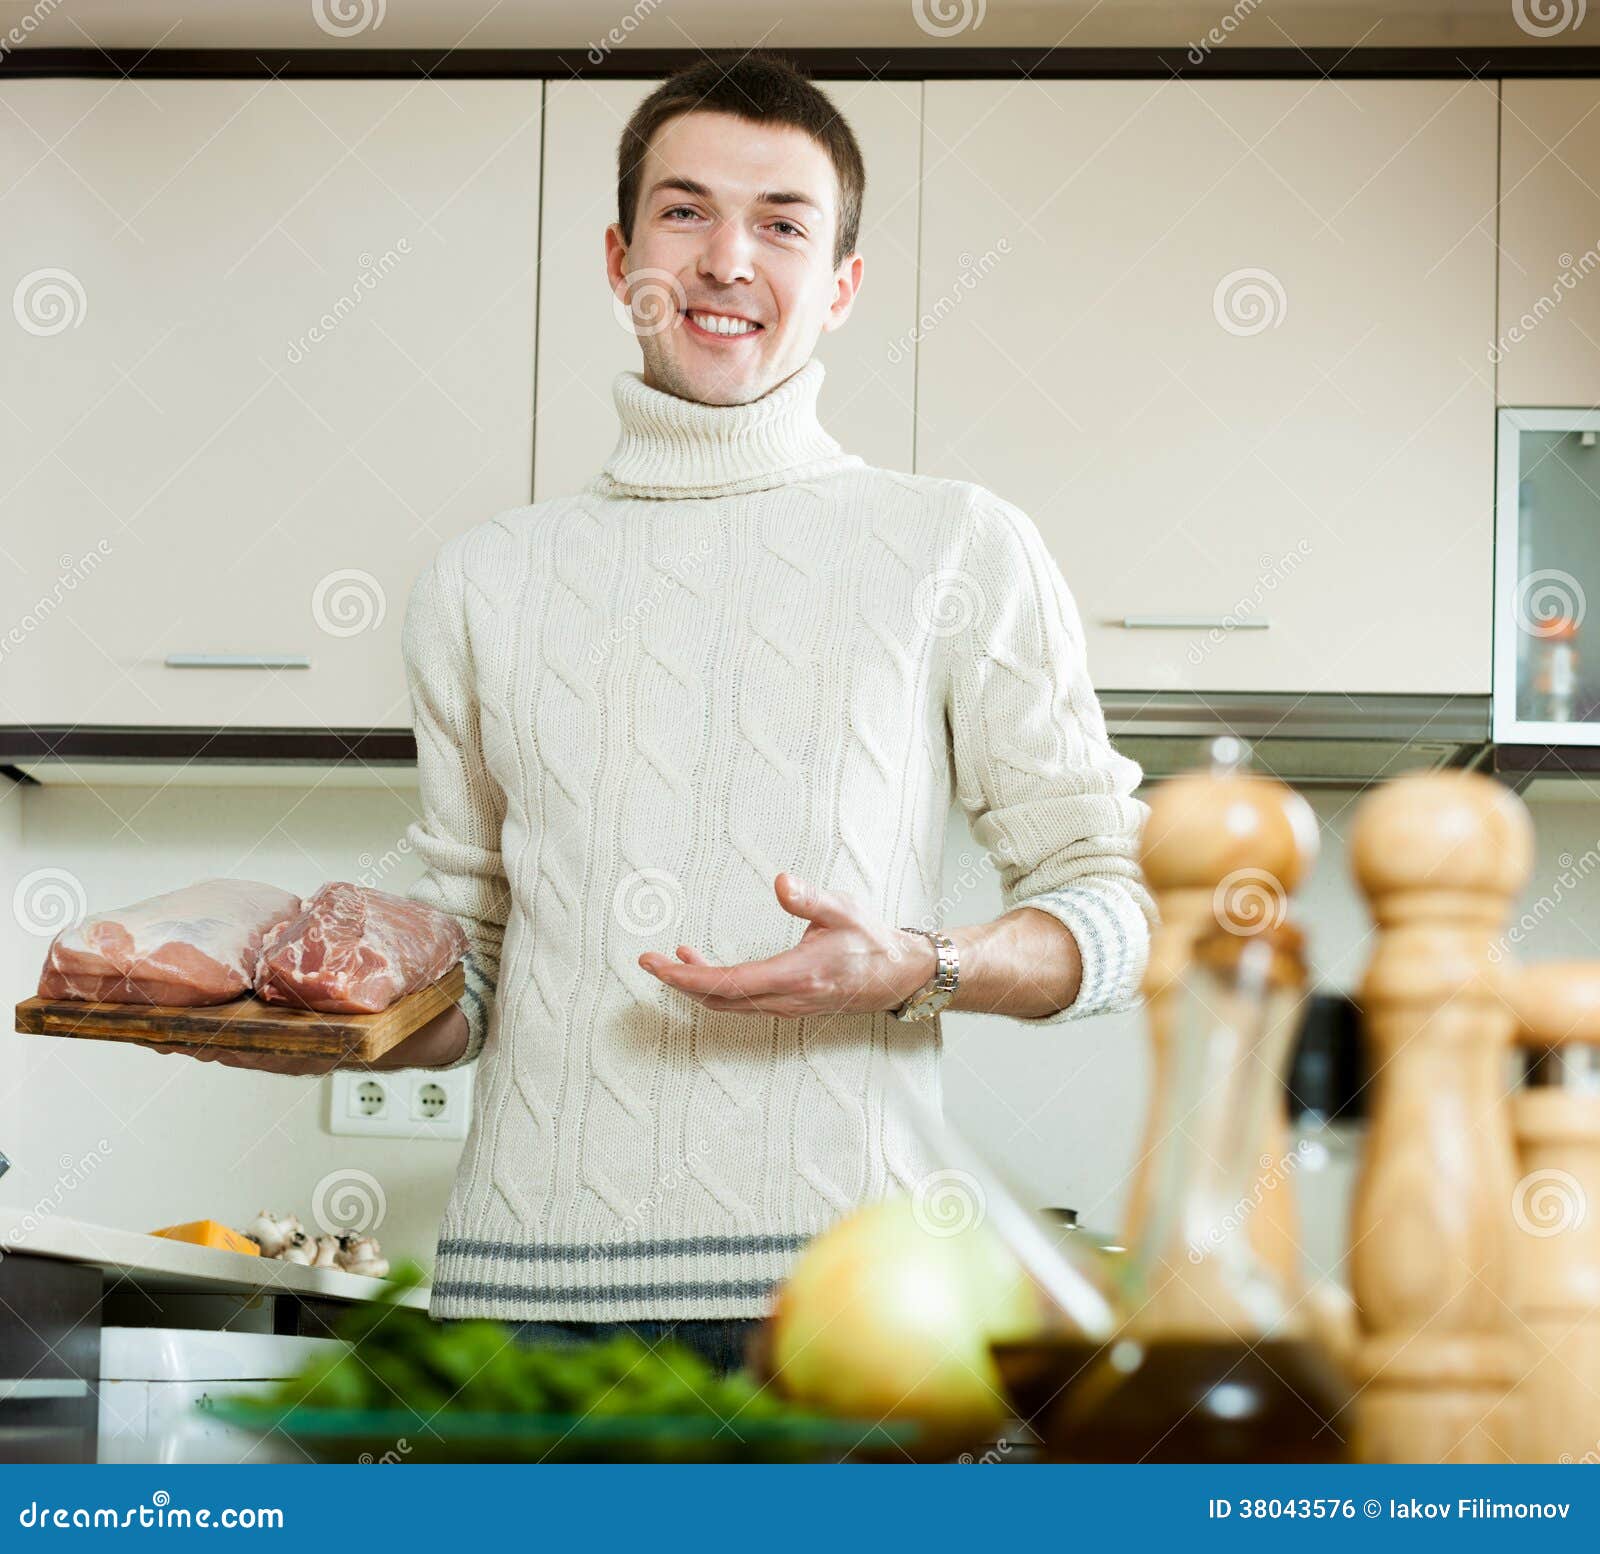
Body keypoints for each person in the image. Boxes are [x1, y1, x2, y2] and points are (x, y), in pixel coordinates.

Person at [170, 53, 1155, 1376]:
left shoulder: (956, 548)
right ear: (619, 253)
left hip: (845, 1307)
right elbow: (473, 965)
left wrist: (919, 965)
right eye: (685, 212)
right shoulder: (483, 577)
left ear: (842, 284)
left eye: (783, 223)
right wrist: (318, 1018)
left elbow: (1118, 903)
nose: (727, 258)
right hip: (522, 1301)